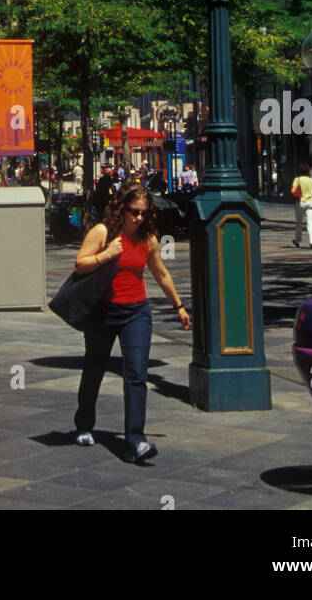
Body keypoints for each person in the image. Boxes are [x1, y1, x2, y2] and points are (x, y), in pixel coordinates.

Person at [72, 181, 191, 463]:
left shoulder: (147, 239)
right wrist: (106, 255)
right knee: (94, 369)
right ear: (121, 209)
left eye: (143, 213)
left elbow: (160, 274)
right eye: (133, 211)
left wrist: (179, 306)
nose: (138, 217)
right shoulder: (103, 232)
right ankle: (84, 423)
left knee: (136, 375)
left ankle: (135, 439)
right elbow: (80, 264)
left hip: (136, 312)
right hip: (103, 311)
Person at [291, 163, 312, 248]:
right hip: (311, 202)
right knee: (311, 223)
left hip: (301, 202)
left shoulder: (297, 179)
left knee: (299, 223)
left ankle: (297, 240)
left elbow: (293, 191)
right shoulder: (311, 180)